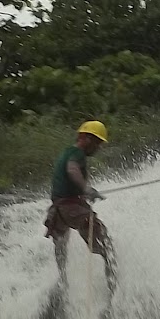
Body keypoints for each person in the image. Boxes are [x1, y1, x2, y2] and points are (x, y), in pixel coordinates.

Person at [43, 120, 117, 293]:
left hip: (57, 211)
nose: (98, 147)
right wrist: (85, 188)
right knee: (106, 244)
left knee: (60, 245)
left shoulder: (66, 152)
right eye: (97, 142)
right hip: (71, 209)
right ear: (86, 138)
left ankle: (62, 282)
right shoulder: (77, 153)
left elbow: (65, 183)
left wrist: (84, 193)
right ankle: (114, 288)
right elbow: (72, 169)